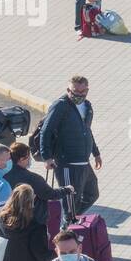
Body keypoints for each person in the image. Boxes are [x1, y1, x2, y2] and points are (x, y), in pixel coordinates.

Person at [39, 76, 102, 214]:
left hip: (84, 162)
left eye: (82, 92)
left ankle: (72, 219)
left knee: (92, 193)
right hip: (67, 164)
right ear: (68, 90)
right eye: (75, 91)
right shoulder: (60, 106)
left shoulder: (87, 106)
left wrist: (96, 153)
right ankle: (68, 226)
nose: (78, 95)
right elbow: (46, 131)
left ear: (87, 90)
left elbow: (87, 130)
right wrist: (47, 157)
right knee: (70, 201)